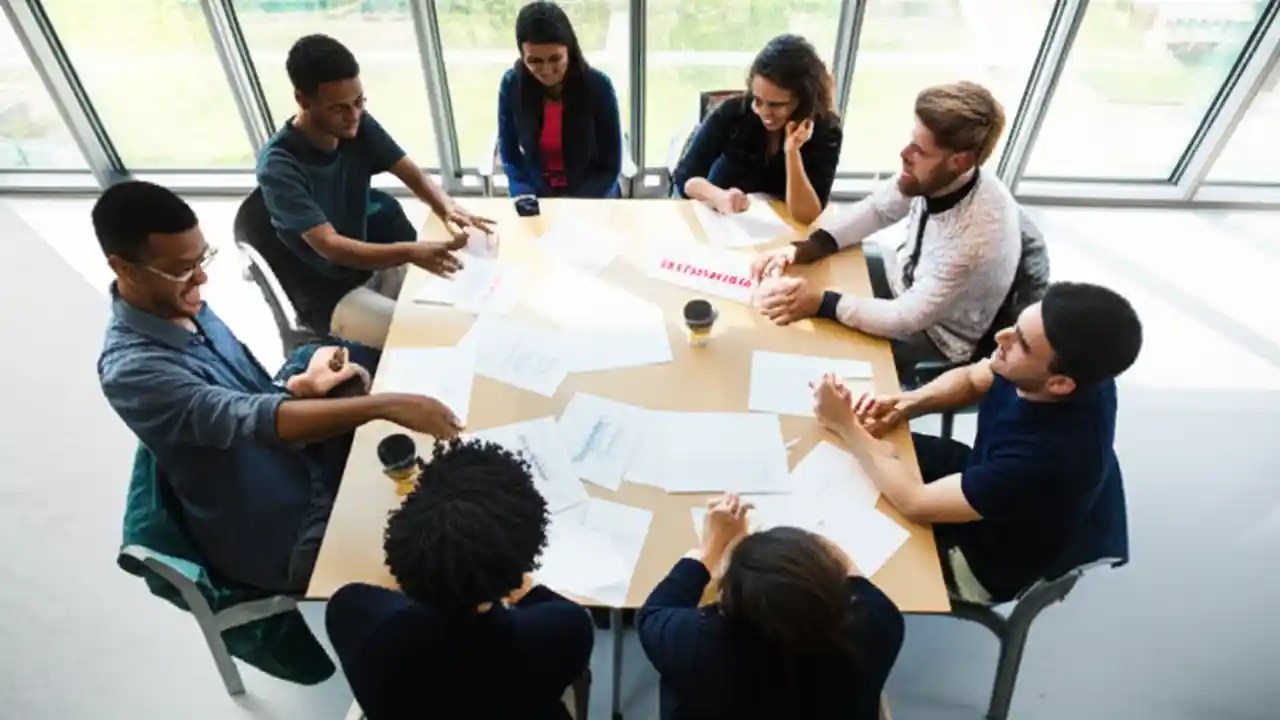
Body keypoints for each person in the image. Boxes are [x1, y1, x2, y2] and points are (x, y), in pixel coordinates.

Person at [96, 181, 463, 594]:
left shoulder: (178, 301)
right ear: (123, 268)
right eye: (182, 269)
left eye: (201, 259)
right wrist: (382, 406)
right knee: (446, 558)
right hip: (286, 530)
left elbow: (241, 401)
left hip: (301, 465)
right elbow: (244, 418)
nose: (200, 277)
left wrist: (297, 387)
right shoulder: (133, 373)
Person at [812, 282, 1142, 603]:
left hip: (978, 561)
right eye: (1016, 325)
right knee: (848, 457)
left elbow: (916, 502)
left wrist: (846, 425)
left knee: (820, 552)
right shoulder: (1069, 369)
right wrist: (908, 403)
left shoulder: (1045, 459)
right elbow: (974, 378)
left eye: (1021, 343)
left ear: (1059, 384)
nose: (1001, 337)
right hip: (986, 476)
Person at [753, 81, 1021, 369]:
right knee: (804, 296)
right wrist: (804, 248)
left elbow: (905, 318)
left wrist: (822, 303)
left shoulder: (973, 242)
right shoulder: (938, 174)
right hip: (903, 284)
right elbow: (879, 209)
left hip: (933, 336)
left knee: (813, 352)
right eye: (911, 140)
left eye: (920, 150)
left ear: (960, 161)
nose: (905, 154)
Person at [326, 438, 593, 720]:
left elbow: (370, 600)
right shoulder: (557, 632)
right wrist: (528, 592)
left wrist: (430, 573)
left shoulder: (352, 613)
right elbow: (565, 619)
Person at [255, 34, 493, 349]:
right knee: (431, 339)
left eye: (359, 102)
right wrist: (410, 251)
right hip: (330, 290)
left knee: (475, 306)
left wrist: (446, 205)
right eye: (338, 107)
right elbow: (331, 246)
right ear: (303, 100)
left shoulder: (354, 122)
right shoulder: (278, 165)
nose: (353, 116)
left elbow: (409, 171)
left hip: (374, 259)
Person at [637, 493, 904, 720]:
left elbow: (655, 611)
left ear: (729, 604)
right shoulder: (876, 626)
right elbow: (845, 568)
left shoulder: (700, 645)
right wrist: (800, 552)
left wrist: (711, 548)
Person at [671, 34, 843, 226]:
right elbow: (685, 177)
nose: (764, 113)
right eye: (758, 100)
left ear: (803, 101)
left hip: (782, 230)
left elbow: (807, 216)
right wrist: (718, 196)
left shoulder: (826, 131)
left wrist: (792, 152)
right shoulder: (733, 112)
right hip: (723, 220)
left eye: (777, 105)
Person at [498, 1, 622, 199]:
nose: (546, 71)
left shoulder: (599, 87)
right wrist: (525, 194)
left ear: (569, 52)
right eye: (534, 61)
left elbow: (610, 166)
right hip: (537, 194)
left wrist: (573, 203)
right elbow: (510, 153)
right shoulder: (512, 85)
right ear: (522, 56)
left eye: (555, 59)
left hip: (592, 195)